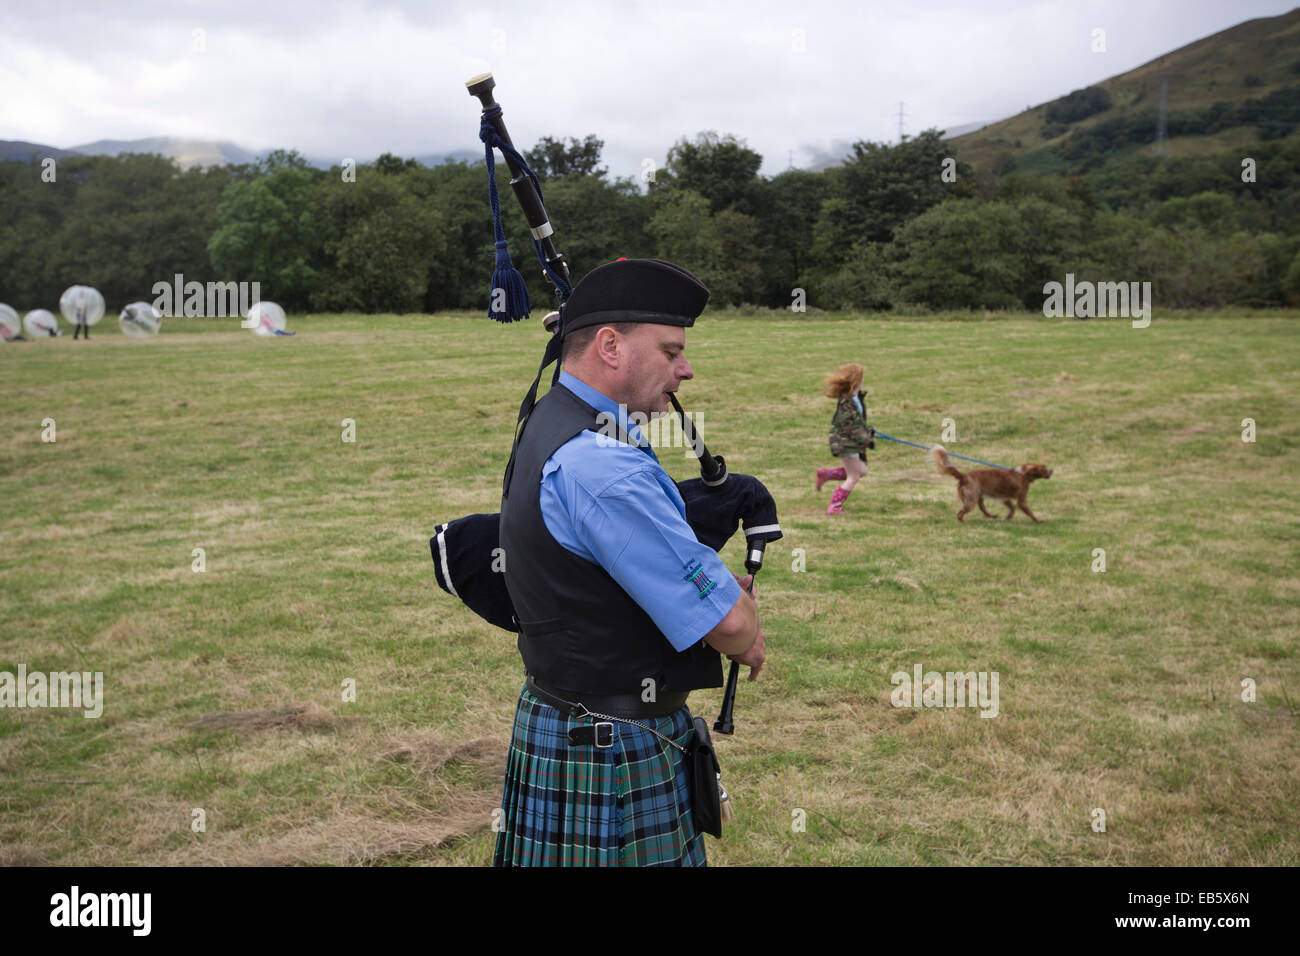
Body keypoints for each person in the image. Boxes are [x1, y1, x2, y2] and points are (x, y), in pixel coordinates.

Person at [494, 258, 765, 867]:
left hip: (565, 720)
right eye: (672, 351)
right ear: (611, 347)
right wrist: (738, 617)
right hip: (611, 748)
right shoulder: (603, 467)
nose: (687, 369)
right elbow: (732, 627)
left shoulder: (550, 418)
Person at [816, 363, 873, 515]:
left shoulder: (855, 398)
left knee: (862, 470)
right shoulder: (847, 403)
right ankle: (834, 506)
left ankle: (826, 474)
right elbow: (851, 426)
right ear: (856, 381)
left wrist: (868, 432)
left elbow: (858, 422)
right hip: (845, 444)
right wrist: (866, 438)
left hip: (850, 442)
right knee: (854, 476)